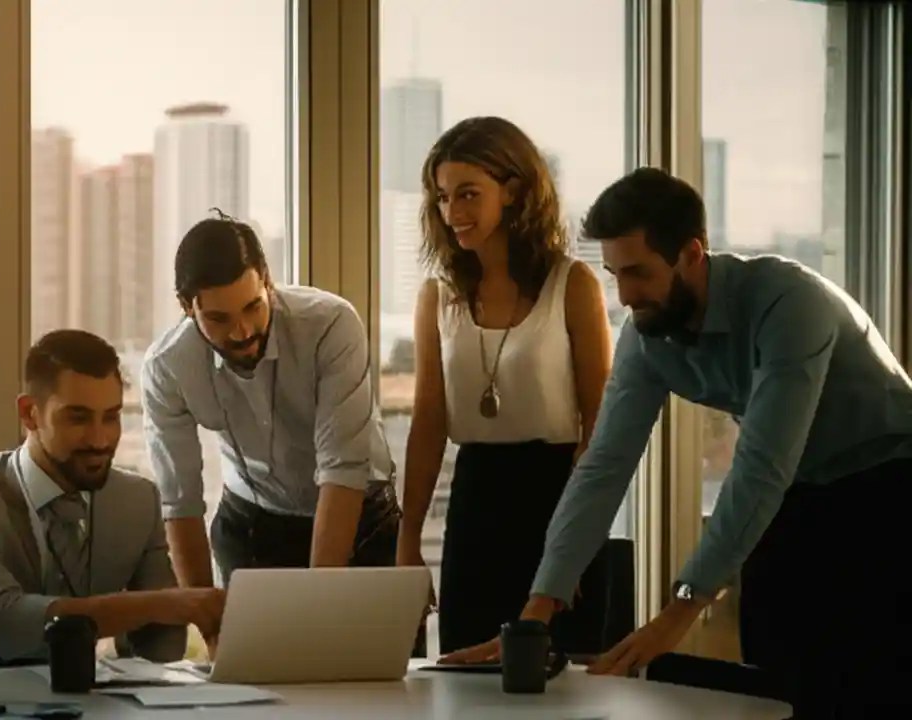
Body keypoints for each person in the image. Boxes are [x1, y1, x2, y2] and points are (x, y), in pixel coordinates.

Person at [441, 168, 912, 717]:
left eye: (638, 273)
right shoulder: (648, 333)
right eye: (615, 274)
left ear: (692, 253)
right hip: (800, 490)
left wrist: (679, 610)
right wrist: (535, 615)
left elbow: (761, 465)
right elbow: (603, 468)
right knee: (777, 674)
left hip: (890, 482)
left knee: (871, 678)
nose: (625, 295)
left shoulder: (788, 303)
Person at [395, 116, 613, 655]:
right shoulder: (438, 297)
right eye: (443, 197)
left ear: (513, 191)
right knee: (466, 677)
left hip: (555, 498)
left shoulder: (572, 284)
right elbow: (427, 427)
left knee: (559, 682)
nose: (453, 213)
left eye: (468, 194)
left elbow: (599, 424)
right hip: (475, 504)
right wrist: (407, 545)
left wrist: (576, 539)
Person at [0, 329, 224, 664]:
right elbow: (3, 623)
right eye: (78, 418)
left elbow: (161, 639)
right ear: (29, 413)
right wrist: (162, 604)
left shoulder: (137, 501)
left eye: (111, 417)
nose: (100, 439)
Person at [141, 211, 402, 590]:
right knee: (245, 650)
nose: (242, 331)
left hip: (358, 516)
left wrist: (318, 598)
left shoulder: (330, 324)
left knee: (376, 650)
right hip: (253, 523)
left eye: (253, 307)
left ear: (267, 281)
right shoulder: (168, 367)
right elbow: (180, 503)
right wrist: (208, 622)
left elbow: (342, 470)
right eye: (219, 318)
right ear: (187, 306)